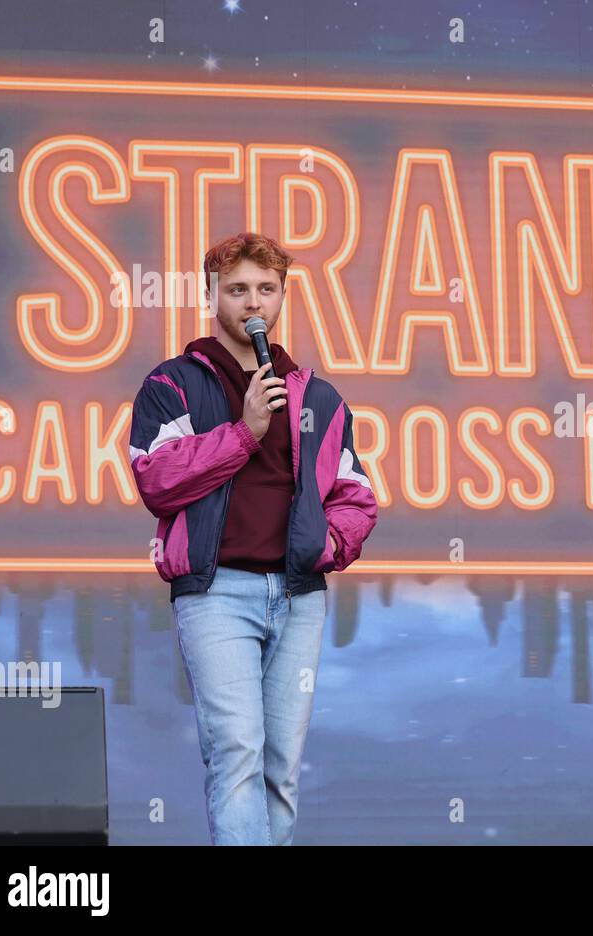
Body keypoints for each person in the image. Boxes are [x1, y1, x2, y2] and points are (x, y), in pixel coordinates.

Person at [127, 232, 378, 844]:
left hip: (298, 598)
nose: (253, 302)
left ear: (283, 296)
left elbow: (357, 496)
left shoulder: (318, 396)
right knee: (236, 752)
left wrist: (323, 547)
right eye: (238, 289)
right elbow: (156, 479)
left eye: (266, 289)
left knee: (280, 768)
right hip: (216, 594)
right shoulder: (173, 385)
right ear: (213, 296)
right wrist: (244, 433)